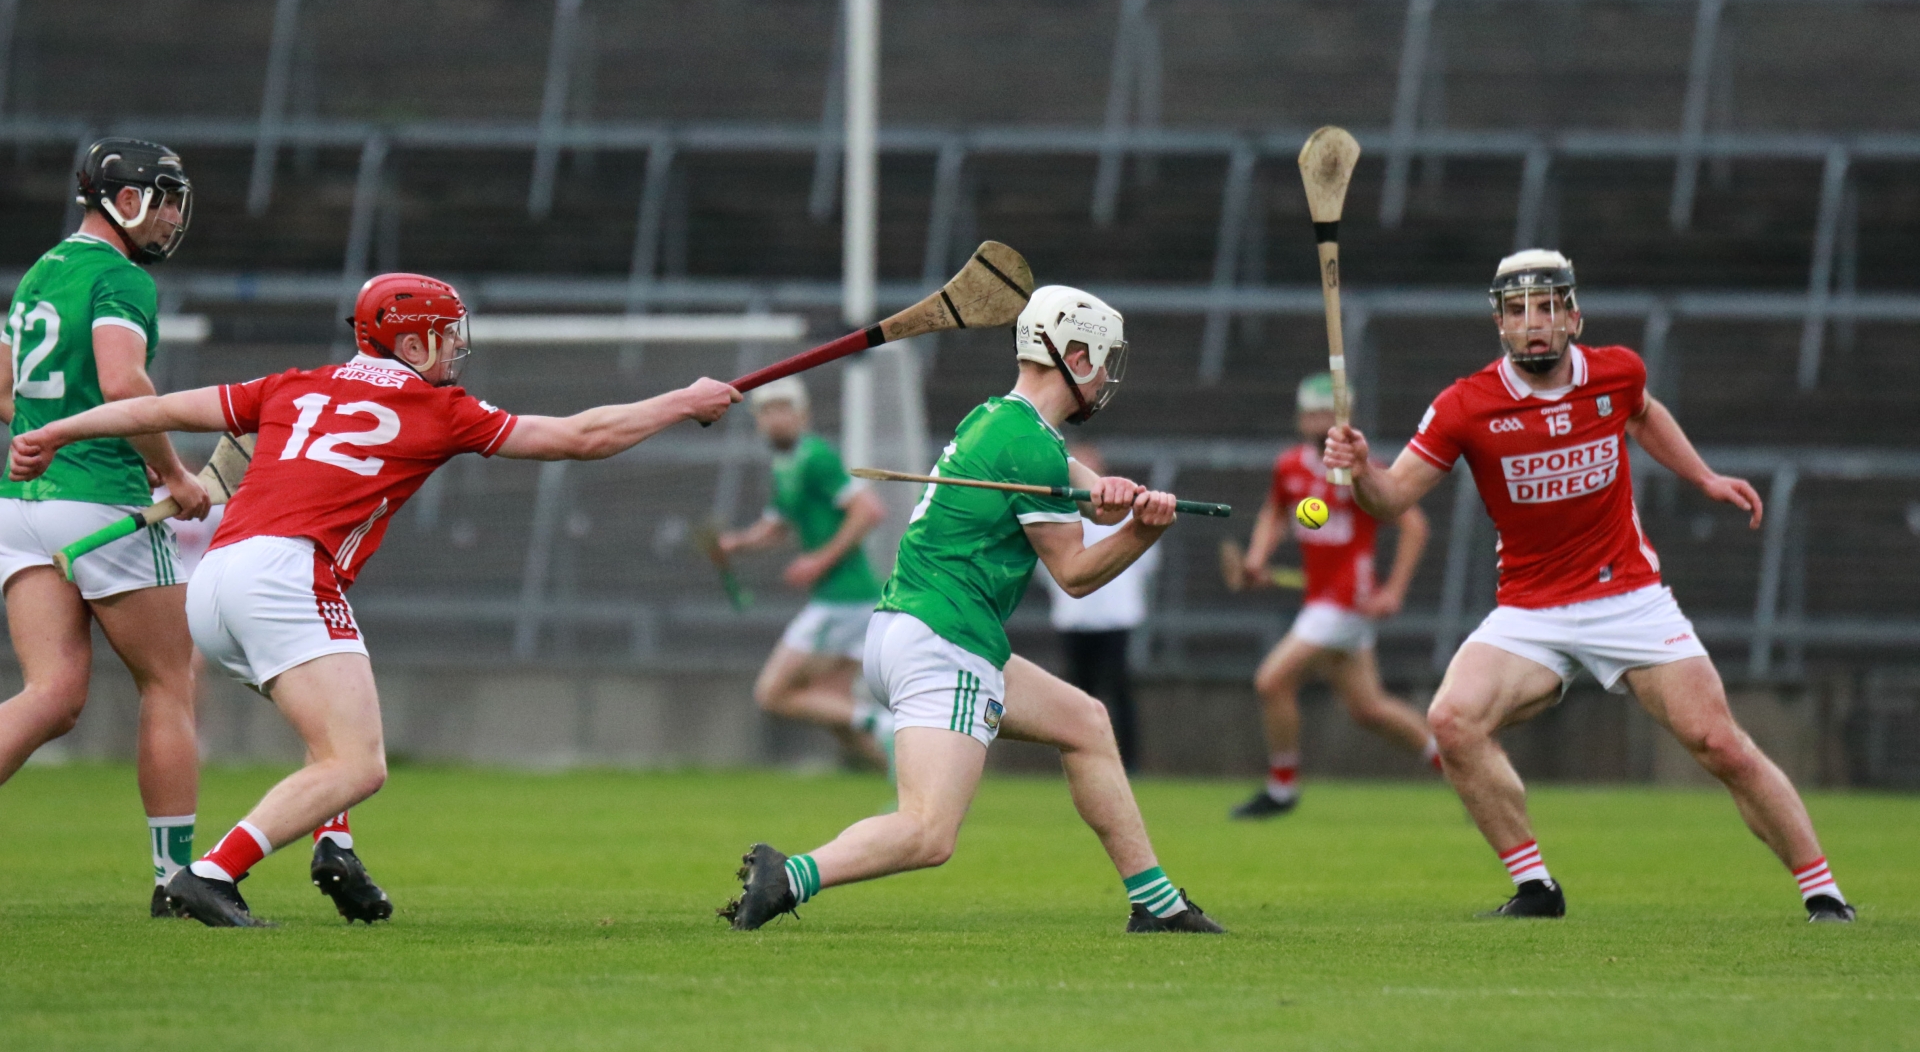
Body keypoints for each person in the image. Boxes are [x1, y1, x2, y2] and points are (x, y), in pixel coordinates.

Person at [10, 272, 741, 927]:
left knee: (331, 729)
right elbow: (583, 437)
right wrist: (682, 400)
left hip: (218, 582)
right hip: (288, 574)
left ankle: (336, 847)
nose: (454, 349)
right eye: (446, 336)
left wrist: (54, 431)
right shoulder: (439, 406)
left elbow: (160, 407)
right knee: (358, 763)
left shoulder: (292, 385)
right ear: (413, 339)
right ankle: (208, 875)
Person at [1323, 248, 1855, 922]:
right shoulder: (1465, 405)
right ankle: (1536, 888)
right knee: (1452, 722)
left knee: (1718, 741)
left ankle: (1824, 892)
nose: (1533, 324)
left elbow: (1644, 412)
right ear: (1500, 324)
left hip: (1629, 597)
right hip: (1530, 609)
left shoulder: (1616, 372)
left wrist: (1703, 477)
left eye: (1547, 308)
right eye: (1517, 311)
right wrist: (1362, 469)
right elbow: (1391, 500)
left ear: (1573, 315)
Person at [720, 286, 1225, 934]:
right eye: (1101, 359)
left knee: (1085, 723)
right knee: (928, 833)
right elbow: (1074, 574)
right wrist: (1144, 531)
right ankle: (788, 876)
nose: (1105, 376)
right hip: (944, 642)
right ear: (1074, 354)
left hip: (916, 628)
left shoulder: (998, 419)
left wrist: (1115, 495)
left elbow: (1086, 492)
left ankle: (1158, 905)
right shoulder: (1028, 445)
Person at [0, 138, 212, 918]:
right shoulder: (120, 278)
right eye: (160, 199)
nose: (168, 216)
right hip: (103, 505)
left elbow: (8, 391)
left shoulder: (40, 273)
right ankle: (174, 881)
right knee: (168, 682)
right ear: (123, 199)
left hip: (21, 508)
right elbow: (126, 383)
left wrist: (48, 433)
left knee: (50, 695)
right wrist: (175, 473)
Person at [1230, 373, 1439, 819]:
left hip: (1348, 597)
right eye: (1311, 412)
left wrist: (1393, 591)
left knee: (1271, 680)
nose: (1318, 420)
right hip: (1320, 598)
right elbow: (1276, 513)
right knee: (1369, 708)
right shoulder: (1288, 466)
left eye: (1327, 412)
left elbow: (1414, 525)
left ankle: (1282, 789)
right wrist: (1257, 558)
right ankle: (1456, 761)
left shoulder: (1360, 470)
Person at [716, 377, 890, 770]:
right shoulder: (784, 463)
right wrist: (735, 544)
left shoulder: (816, 457)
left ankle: (885, 725)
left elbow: (870, 510)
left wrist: (819, 560)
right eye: (767, 411)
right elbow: (776, 526)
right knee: (832, 705)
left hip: (845, 597)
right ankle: (908, 792)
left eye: (785, 409)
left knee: (772, 693)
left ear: (803, 415)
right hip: (839, 598)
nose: (777, 419)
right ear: (758, 420)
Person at [1035, 442, 1156, 773]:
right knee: (1078, 694)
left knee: (1118, 690)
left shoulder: (1122, 509)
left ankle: (1127, 762)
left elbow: (1143, 561)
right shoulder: (1057, 512)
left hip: (1116, 616)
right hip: (1074, 618)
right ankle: (1080, 759)